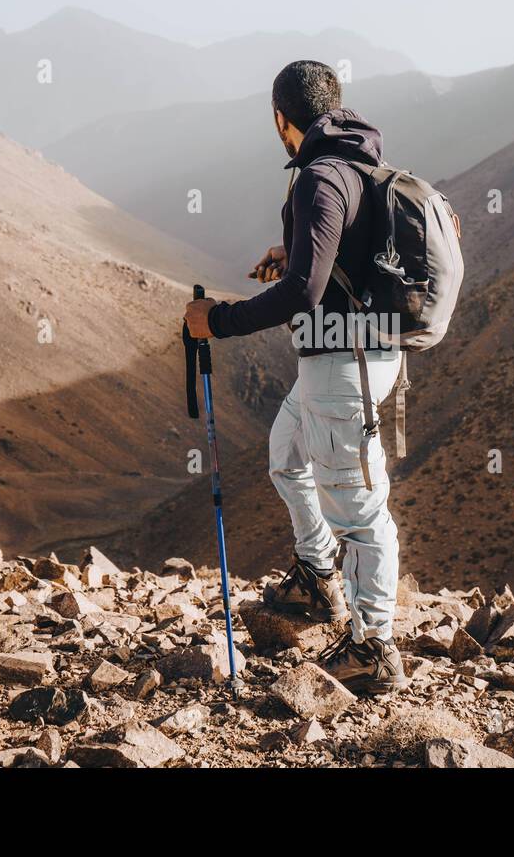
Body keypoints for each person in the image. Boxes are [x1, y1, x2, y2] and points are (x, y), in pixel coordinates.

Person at [183, 60, 406, 694]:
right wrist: (295, 251)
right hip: (357, 358)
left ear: (282, 118)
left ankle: (374, 649)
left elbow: (304, 294)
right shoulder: (359, 163)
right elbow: (347, 254)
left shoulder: (317, 176)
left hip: (342, 365)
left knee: (359, 510)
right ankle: (317, 576)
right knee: (287, 453)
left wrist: (217, 321)